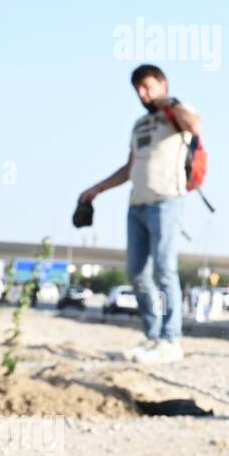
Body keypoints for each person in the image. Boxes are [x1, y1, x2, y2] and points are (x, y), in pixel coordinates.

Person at [78, 64, 199, 364]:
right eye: (139, 90)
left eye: (148, 87)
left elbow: (195, 126)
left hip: (167, 201)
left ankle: (171, 340)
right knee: (137, 273)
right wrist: (97, 189)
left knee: (164, 269)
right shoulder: (139, 125)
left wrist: (168, 102)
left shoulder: (177, 113)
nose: (143, 94)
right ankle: (153, 336)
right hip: (137, 205)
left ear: (163, 84)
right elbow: (129, 167)